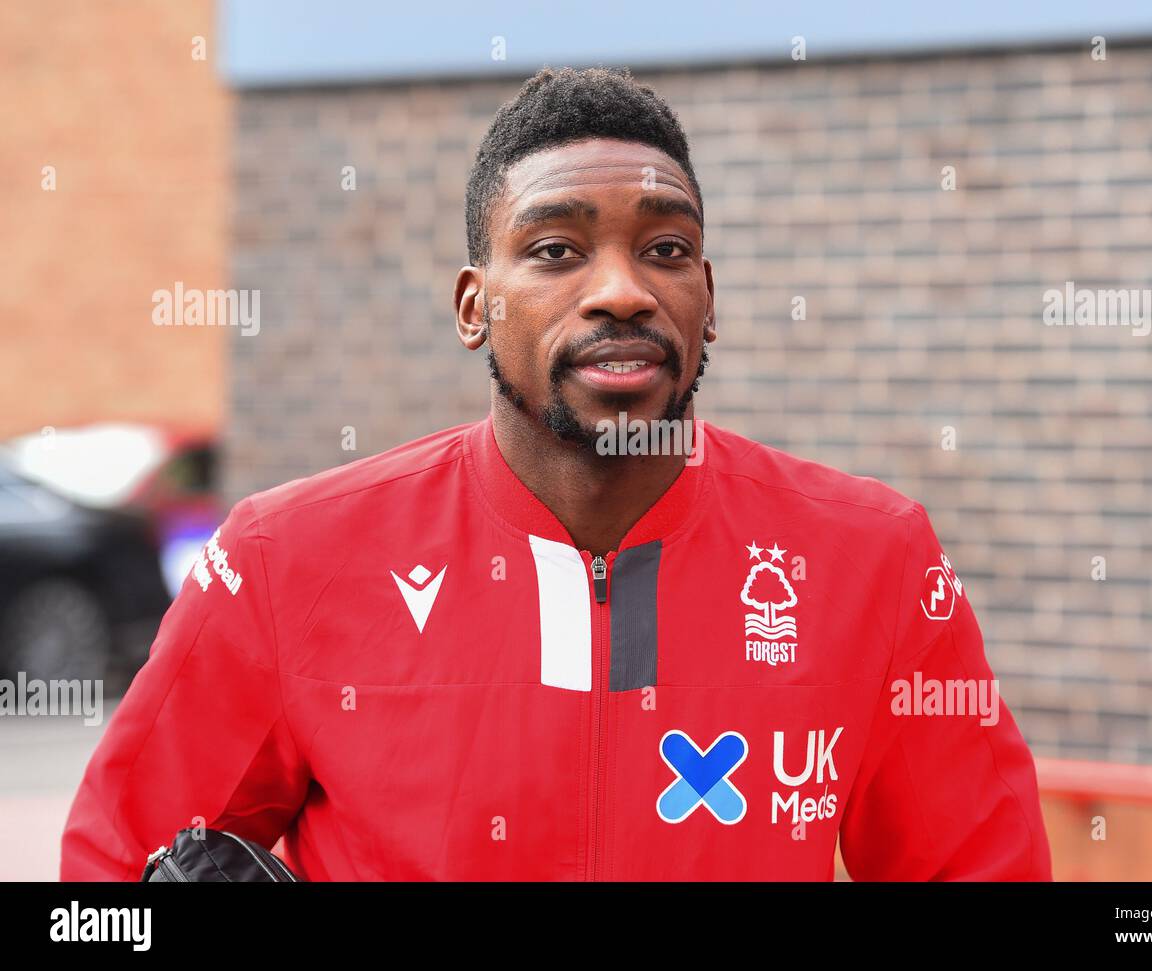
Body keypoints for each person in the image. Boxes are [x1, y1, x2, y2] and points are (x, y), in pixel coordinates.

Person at [61, 66, 1050, 881]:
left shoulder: (871, 557)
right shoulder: (287, 560)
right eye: (554, 249)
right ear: (472, 306)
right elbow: (105, 876)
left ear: (708, 296)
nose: (621, 288)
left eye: (666, 248)